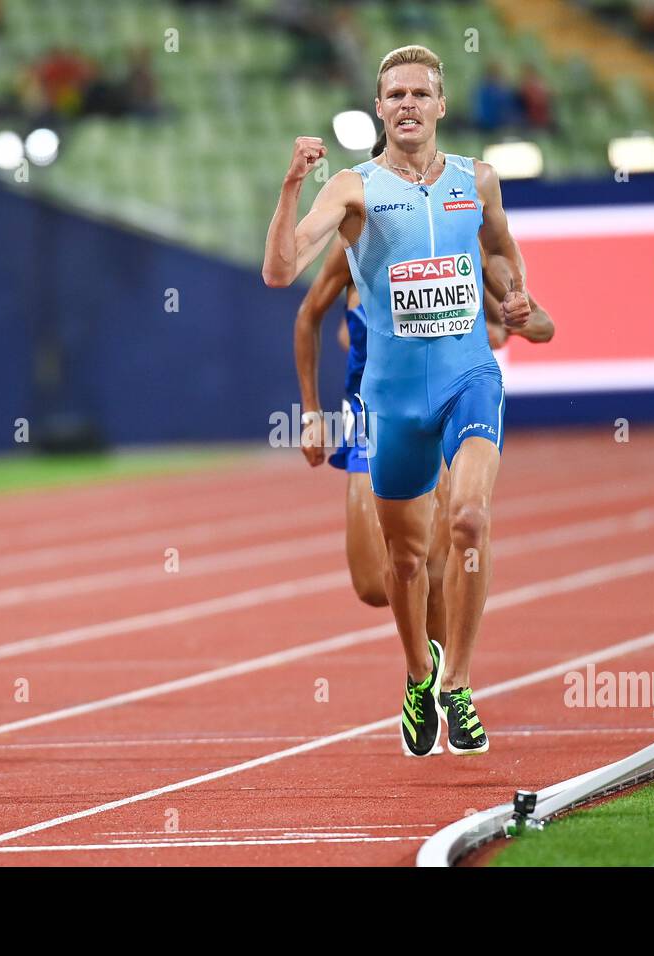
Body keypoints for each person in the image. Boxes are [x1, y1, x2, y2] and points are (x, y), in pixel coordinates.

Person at [264, 45, 547, 757]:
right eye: (395, 96)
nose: (408, 105)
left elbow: (503, 250)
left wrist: (513, 294)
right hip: (390, 399)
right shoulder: (354, 190)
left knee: (471, 521)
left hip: (468, 379)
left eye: (421, 93)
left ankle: (458, 681)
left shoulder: (476, 180)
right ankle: (419, 672)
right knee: (402, 564)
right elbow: (280, 272)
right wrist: (293, 184)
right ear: (380, 108)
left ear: (441, 106)